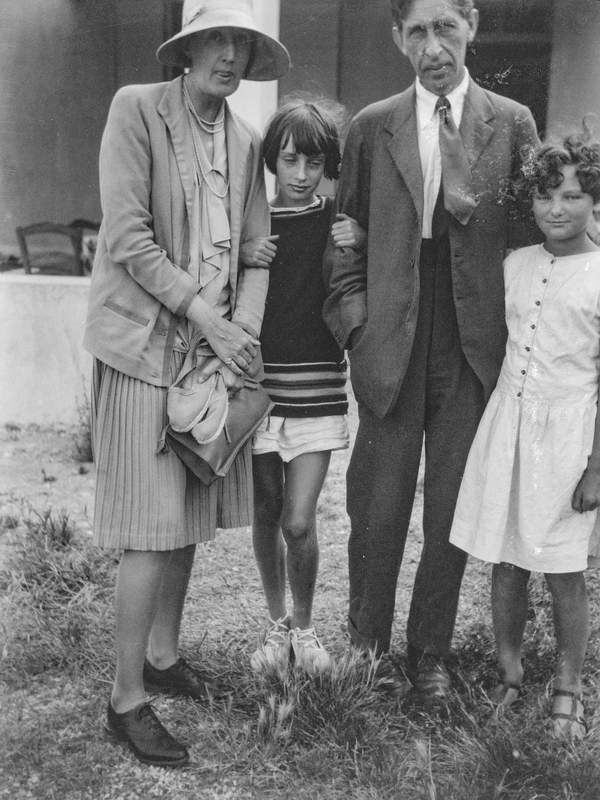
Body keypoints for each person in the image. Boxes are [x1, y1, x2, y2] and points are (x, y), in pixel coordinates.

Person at [83, 0, 290, 767]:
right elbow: (127, 235)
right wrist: (209, 318)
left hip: (212, 354)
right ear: (185, 49)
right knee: (149, 524)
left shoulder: (244, 141)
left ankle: (164, 657)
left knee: (191, 512)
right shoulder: (135, 110)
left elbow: (259, 251)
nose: (228, 54)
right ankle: (125, 698)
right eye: (214, 39)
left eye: (240, 41)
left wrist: (245, 338)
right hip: (145, 347)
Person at [322, 0, 539, 701]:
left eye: (447, 26)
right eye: (417, 30)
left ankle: (430, 655)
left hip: (472, 340)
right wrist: (356, 325)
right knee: (378, 507)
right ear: (396, 38)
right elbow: (343, 237)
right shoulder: (371, 126)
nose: (434, 45)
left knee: (452, 508)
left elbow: (527, 239)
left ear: (473, 25)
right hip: (391, 334)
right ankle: (366, 646)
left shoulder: (510, 123)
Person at [450, 130, 600, 739]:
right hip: (510, 426)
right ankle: (508, 674)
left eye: (571, 197)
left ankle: (568, 686)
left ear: (595, 202)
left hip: (570, 437)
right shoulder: (515, 264)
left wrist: (596, 466)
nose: (556, 210)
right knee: (507, 560)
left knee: (564, 568)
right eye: (544, 197)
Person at [240, 99, 365, 674]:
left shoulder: (339, 219)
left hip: (317, 393)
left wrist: (358, 241)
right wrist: (244, 255)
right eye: (288, 160)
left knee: (299, 519)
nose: (299, 175)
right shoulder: (256, 222)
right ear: (272, 159)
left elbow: (359, 276)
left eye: (312, 163)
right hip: (261, 393)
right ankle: (275, 625)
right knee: (267, 511)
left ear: (326, 166)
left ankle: (307, 628)